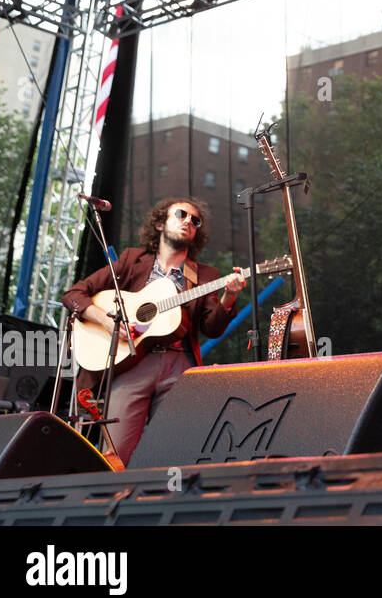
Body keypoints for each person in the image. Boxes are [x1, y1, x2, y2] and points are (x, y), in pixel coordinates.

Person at [62, 197, 246, 465]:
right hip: (132, 361)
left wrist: (228, 297)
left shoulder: (204, 275)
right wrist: (106, 320)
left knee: (174, 453)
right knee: (116, 453)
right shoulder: (131, 260)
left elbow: (213, 328)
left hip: (178, 366)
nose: (188, 222)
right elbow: (74, 294)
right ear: (160, 223)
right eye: (181, 214)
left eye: (195, 221)